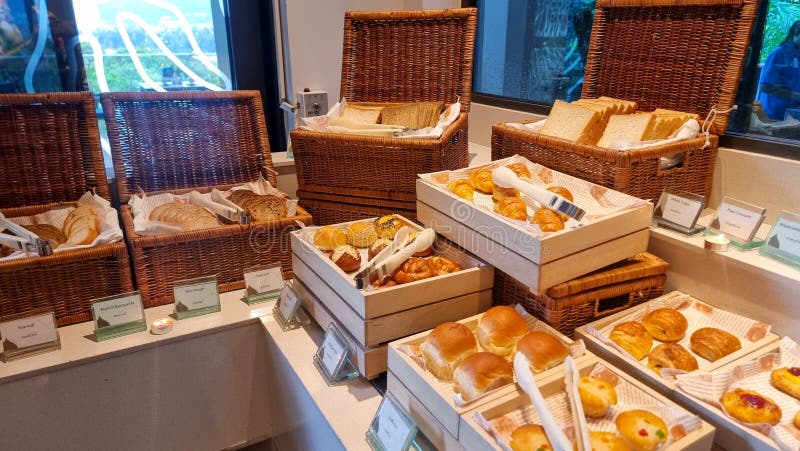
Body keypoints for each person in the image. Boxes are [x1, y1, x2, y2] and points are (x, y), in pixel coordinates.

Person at [758, 20, 800, 120]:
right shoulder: (779, 53)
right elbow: (764, 86)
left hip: (792, 114)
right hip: (773, 114)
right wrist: (794, 95)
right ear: (796, 33)